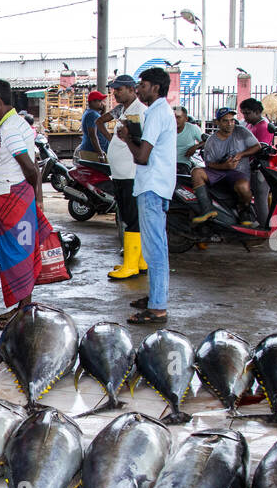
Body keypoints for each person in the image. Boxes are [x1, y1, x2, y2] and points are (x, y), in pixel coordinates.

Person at [0, 78, 48, 328]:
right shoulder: (15, 122)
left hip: (13, 196)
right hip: (14, 194)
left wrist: (37, 197)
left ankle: (23, 310)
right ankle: (22, 306)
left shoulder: (9, 129)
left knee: (17, 254)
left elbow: (30, 167)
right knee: (19, 252)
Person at [119, 67, 177, 325]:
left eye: (142, 84)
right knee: (156, 246)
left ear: (154, 87)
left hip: (152, 185)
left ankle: (158, 307)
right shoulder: (162, 111)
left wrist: (126, 139)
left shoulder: (156, 113)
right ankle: (156, 296)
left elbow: (142, 157)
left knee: (154, 249)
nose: (139, 89)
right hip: (158, 184)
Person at [98, 75, 146, 281]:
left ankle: (131, 264)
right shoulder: (125, 111)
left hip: (130, 174)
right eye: (114, 90)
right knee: (128, 216)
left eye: (119, 90)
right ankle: (139, 260)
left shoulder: (138, 112)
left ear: (132, 89)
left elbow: (140, 141)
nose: (115, 93)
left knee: (131, 217)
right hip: (121, 173)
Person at [190, 107, 261, 227]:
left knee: (243, 187)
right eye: (225, 121)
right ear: (217, 122)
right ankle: (206, 209)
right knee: (196, 172)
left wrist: (241, 154)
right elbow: (209, 164)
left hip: (239, 173)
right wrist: (225, 166)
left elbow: (257, 146)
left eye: (232, 120)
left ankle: (244, 210)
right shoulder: (211, 141)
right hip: (219, 172)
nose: (230, 124)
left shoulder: (241, 131)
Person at [79, 90, 109, 155]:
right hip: (93, 152)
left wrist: (103, 109)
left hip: (93, 150)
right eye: (100, 101)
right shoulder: (92, 114)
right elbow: (92, 135)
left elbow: (101, 120)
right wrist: (100, 153)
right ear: (92, 102)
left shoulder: (90, 112)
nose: (102, 103)